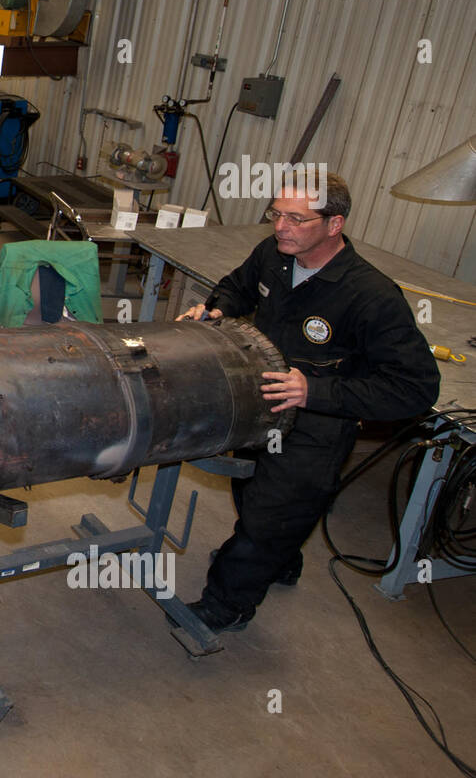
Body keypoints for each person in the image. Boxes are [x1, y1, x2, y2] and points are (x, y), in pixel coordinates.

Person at [175, 172, 440, 632]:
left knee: (265, 521)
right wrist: (217, 307)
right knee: (251, 491)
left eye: (296, 219)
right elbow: (238, 286)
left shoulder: (371, 296)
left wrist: (312, 391)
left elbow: (416, 387)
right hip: (260, 410)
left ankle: (226, 604)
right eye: (276, 214)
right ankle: (281, 558)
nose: (281, 226)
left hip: (316, 428)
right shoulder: (274, 256)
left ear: (334, 224)